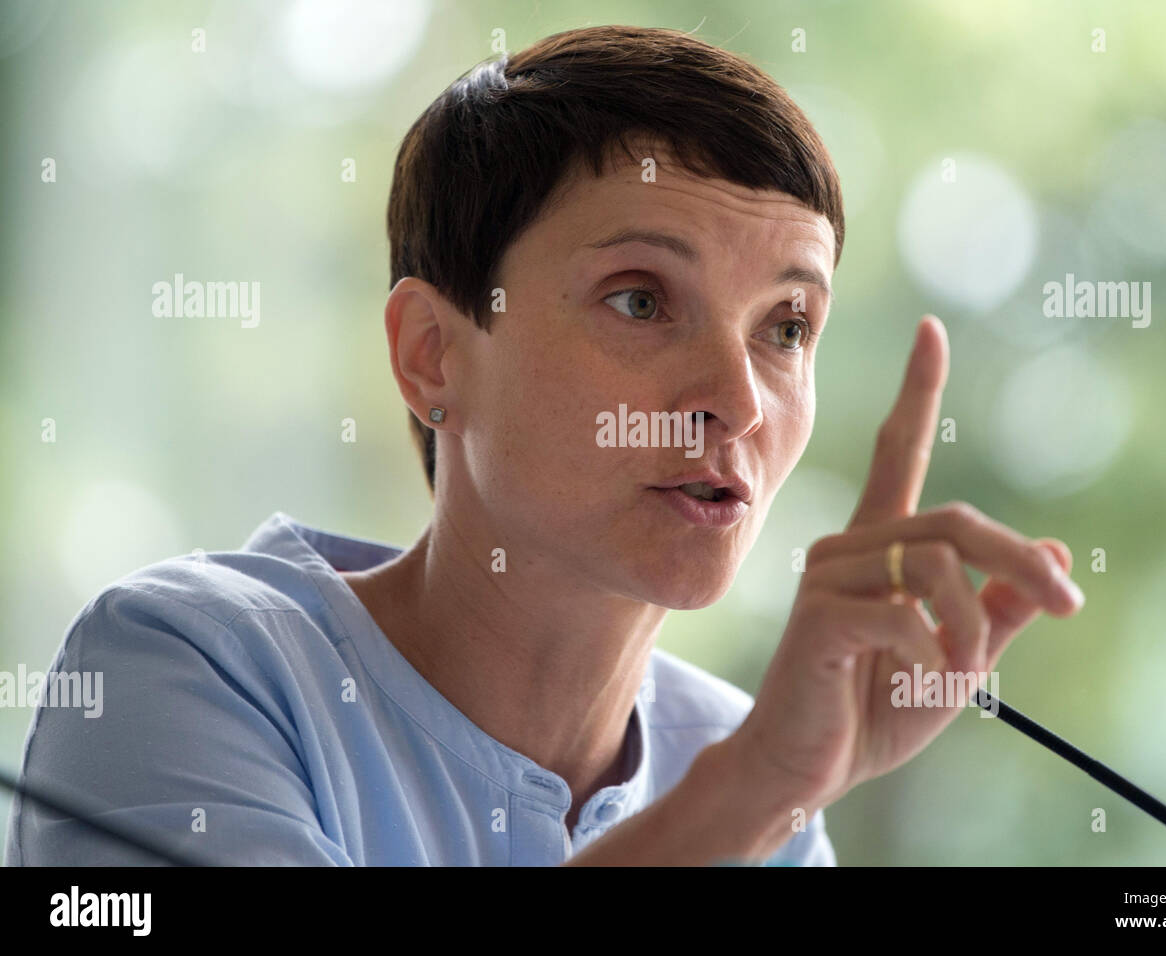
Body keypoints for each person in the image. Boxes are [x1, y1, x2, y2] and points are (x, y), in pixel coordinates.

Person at [4, 24, 1084, 866]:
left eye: (786, 326)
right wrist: (749, 792)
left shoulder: (758, 774)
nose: (737, 399)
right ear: (433, 354)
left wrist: (763, 790)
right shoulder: (187, 662)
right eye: (639, 298)